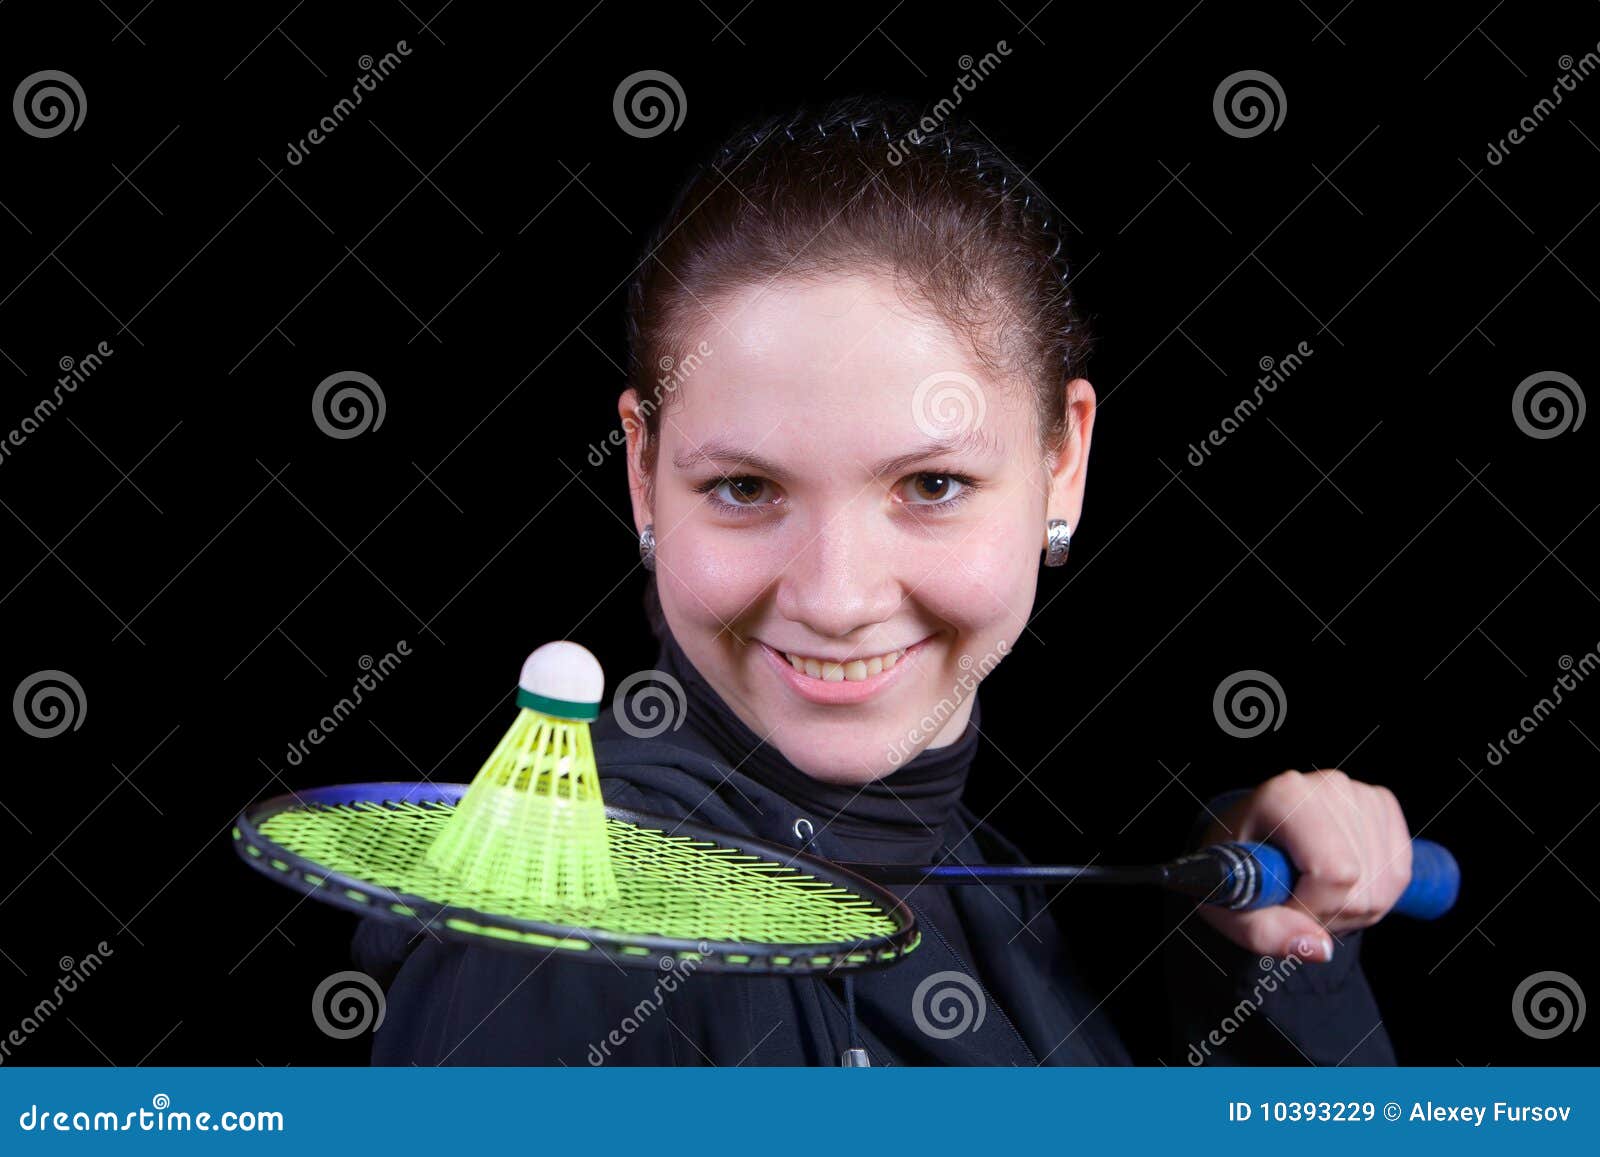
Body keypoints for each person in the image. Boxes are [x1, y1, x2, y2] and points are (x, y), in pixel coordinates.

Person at [352, 94, 1411, 1065]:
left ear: (1064, 463)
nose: (836, 596)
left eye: (932, 484)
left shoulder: (1010, 911)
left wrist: (1271, 959)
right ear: (642, 474)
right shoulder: (566, 941)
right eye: (744, 487)